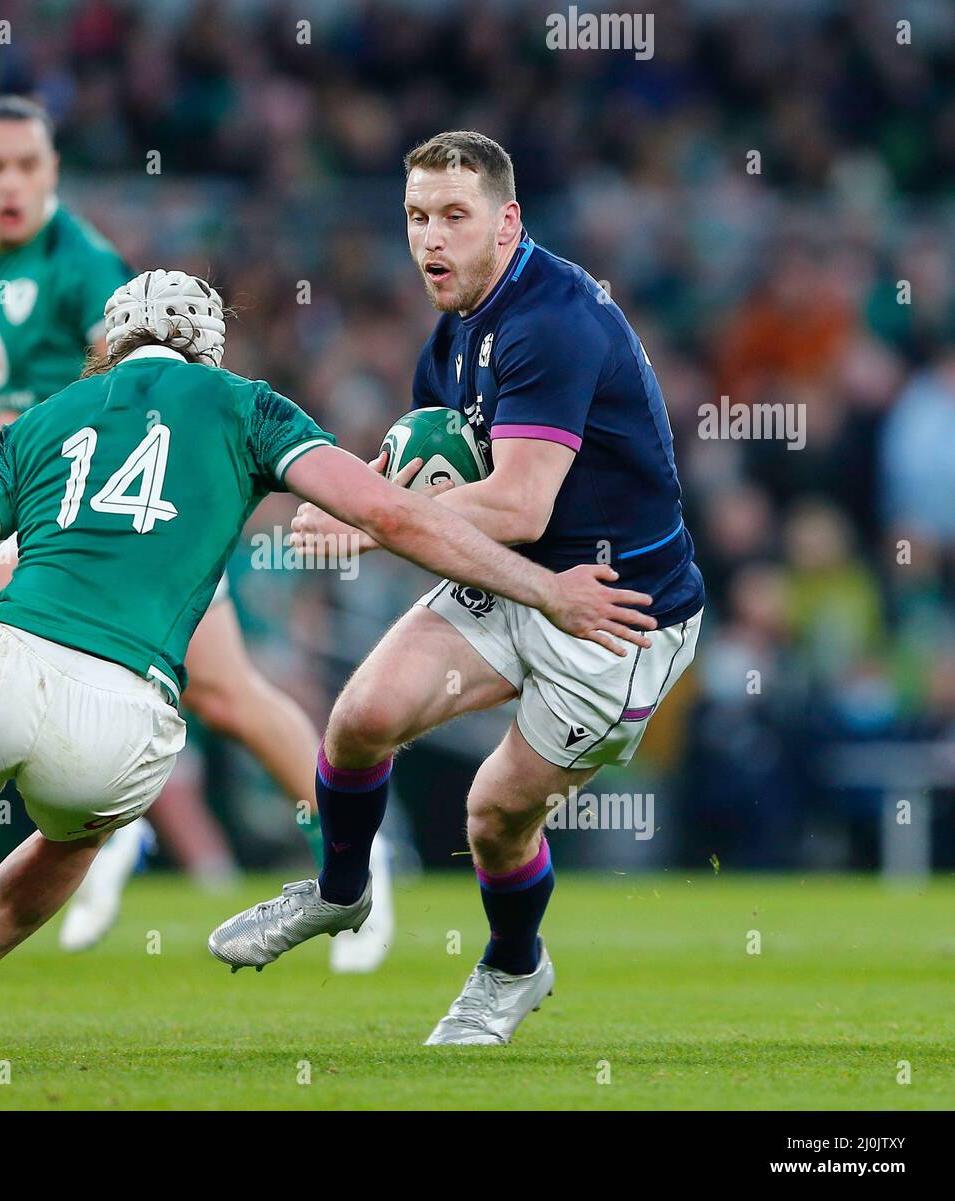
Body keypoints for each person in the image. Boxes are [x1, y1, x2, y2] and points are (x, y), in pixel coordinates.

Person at [0, 270, 655, 1051]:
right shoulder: (245, 405)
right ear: (208, 346)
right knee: (71, 839)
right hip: (124, 708)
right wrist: (548, 587)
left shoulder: (45, 417)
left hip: (0, 657)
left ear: (112, 340)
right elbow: (390, 513)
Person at [209, 131, 705, 1047]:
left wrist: (368, 518)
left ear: (508, 221)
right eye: (415, 217)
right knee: (359, 720)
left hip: (614, 616)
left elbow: (517, 503)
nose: (430, 238)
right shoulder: (452, 339)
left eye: (453, 216)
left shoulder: (551, 320)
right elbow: (436, 478)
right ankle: (339, 890)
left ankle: (513, 967)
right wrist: (366, 490)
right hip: (525, 584)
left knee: (492, 817)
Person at [0, 94, 393, 971]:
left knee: (225, 695)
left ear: (53, 174)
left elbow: (131, 394)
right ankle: (99, 831)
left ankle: (359, 859)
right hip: (43, 521)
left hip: (111, 521)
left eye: (28, 165)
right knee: (185, 693)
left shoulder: (85, 267)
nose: (11, 182)